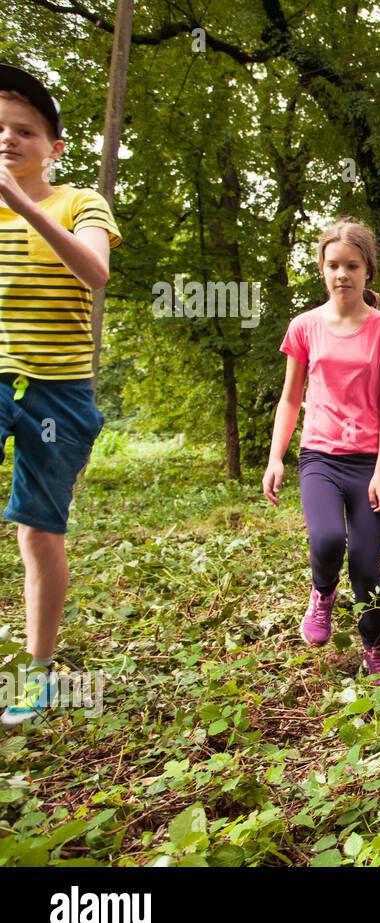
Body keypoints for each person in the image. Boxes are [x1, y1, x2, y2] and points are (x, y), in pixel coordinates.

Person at [0, 65, 120, 727]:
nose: (8, 140)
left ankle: (37, 676)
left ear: (54, 147)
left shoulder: (79, 203)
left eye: (23, 131)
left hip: (61, 396)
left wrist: (21, 205)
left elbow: (95, 270)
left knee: (38, 536)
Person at [262, 217, 380, 681]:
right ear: (322, 270)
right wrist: (275, 457)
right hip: (320, 458)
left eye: (352, 265)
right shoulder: (304, 326)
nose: (342, 274)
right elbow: (290, 398)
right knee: (326, 540)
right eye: (333, 265)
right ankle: (322, 594)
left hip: (367, 461)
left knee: (366, 564)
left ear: (368, 271)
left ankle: (373, 649)